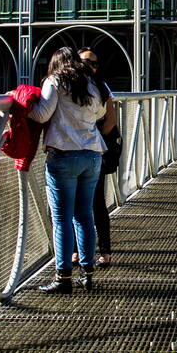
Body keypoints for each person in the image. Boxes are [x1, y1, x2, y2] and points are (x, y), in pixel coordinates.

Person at [28, 46, 107, 294]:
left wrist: (20, 103)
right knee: (84, 215)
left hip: (64, 154)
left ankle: (63, 277)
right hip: (92, 154)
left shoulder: (55, 80)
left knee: (61, 219)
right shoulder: (91, 83)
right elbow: (100, 112)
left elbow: (42, 114)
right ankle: (87, 272)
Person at [73, 49, 121, 268]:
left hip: (93, 151)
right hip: (80, 150)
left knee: (95, 203)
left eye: (94, 62)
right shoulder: (69, 85)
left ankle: (104, 252)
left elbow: (111, 121)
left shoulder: (102, 87)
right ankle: (76, 252)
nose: (90, 66)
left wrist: (90, 139)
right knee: (76, 204)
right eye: (85, 61)